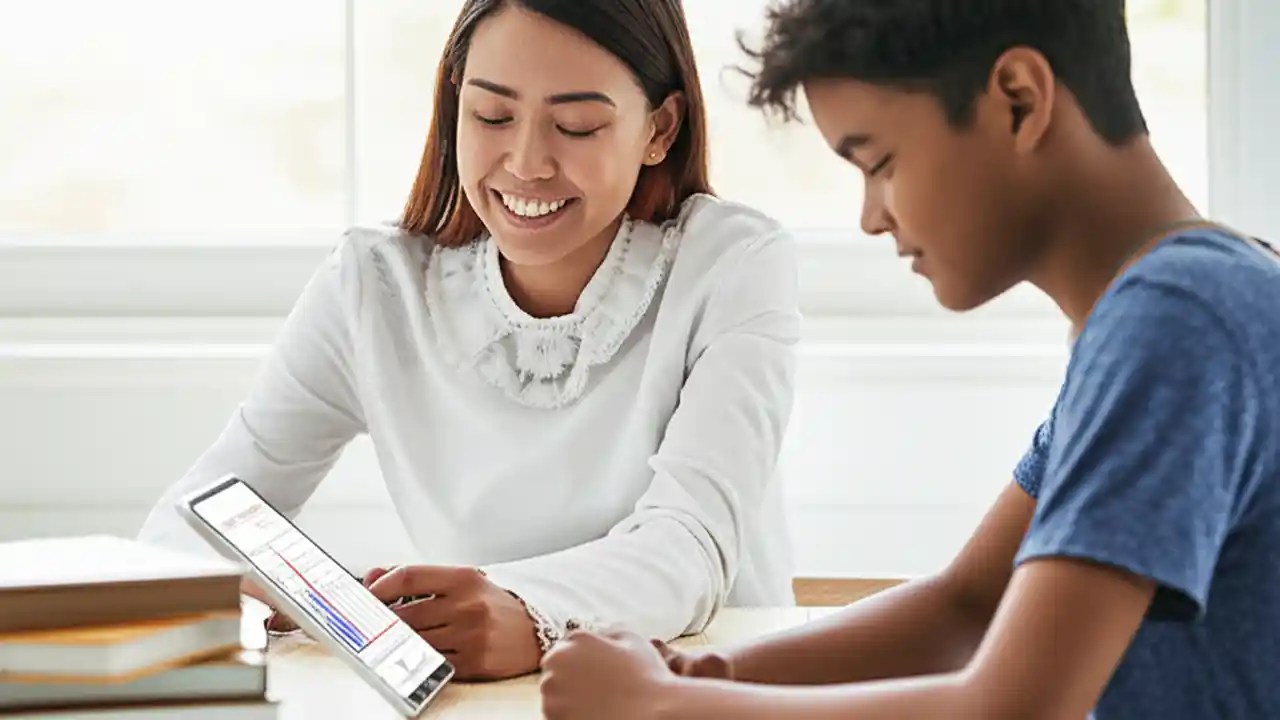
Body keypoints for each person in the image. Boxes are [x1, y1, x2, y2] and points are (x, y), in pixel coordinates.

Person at [538, 1, 1280, 718]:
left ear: (1020, 101)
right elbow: (966, 606)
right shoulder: (1184, 300)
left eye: (880, 163)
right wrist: (702, 675)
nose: (871, 217)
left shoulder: (1178, 319)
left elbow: (1011, 706)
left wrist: (662, 706)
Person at [138, 0, 801, 681]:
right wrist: (259, 591)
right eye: (492, 116)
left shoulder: (731, 265)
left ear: (659, 128)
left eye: (576, 125)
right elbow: (197, 518)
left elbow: (690, 544)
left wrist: (530, 613)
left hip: (705, 694)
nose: (527, 163)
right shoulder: (374, 285)